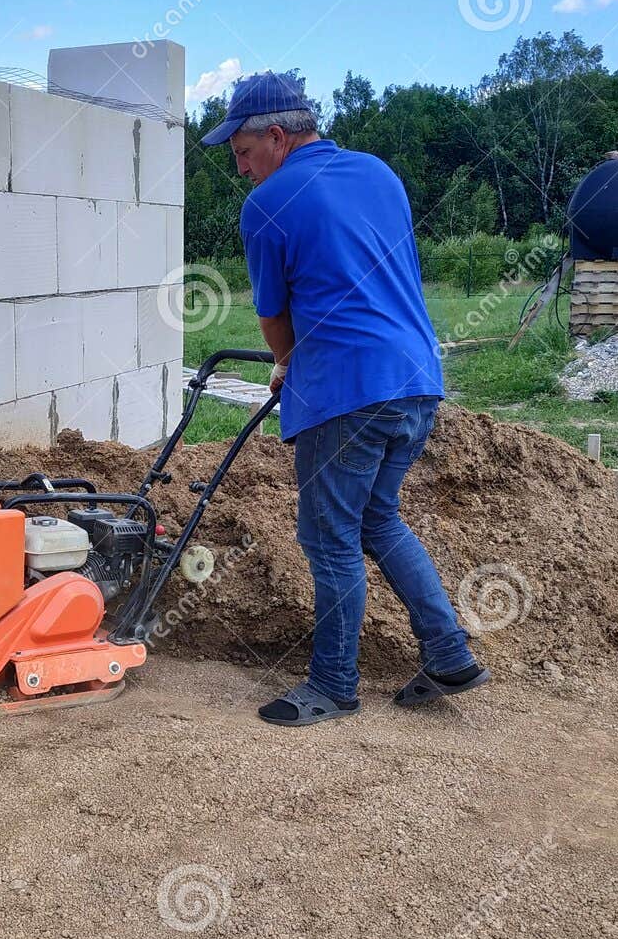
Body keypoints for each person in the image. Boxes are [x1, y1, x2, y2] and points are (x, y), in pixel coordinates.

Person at [199, 72, 491, 727]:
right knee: (376, 518)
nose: (241, 169)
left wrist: (288, 363)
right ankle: (447, 651)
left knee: (328, 537)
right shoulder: (379, 174)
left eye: (243, 152)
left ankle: (333, 683)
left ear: (276, 136)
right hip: (415, 378)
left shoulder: (269, 203)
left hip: (349, 390)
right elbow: (376, 278)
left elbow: (274, 316)